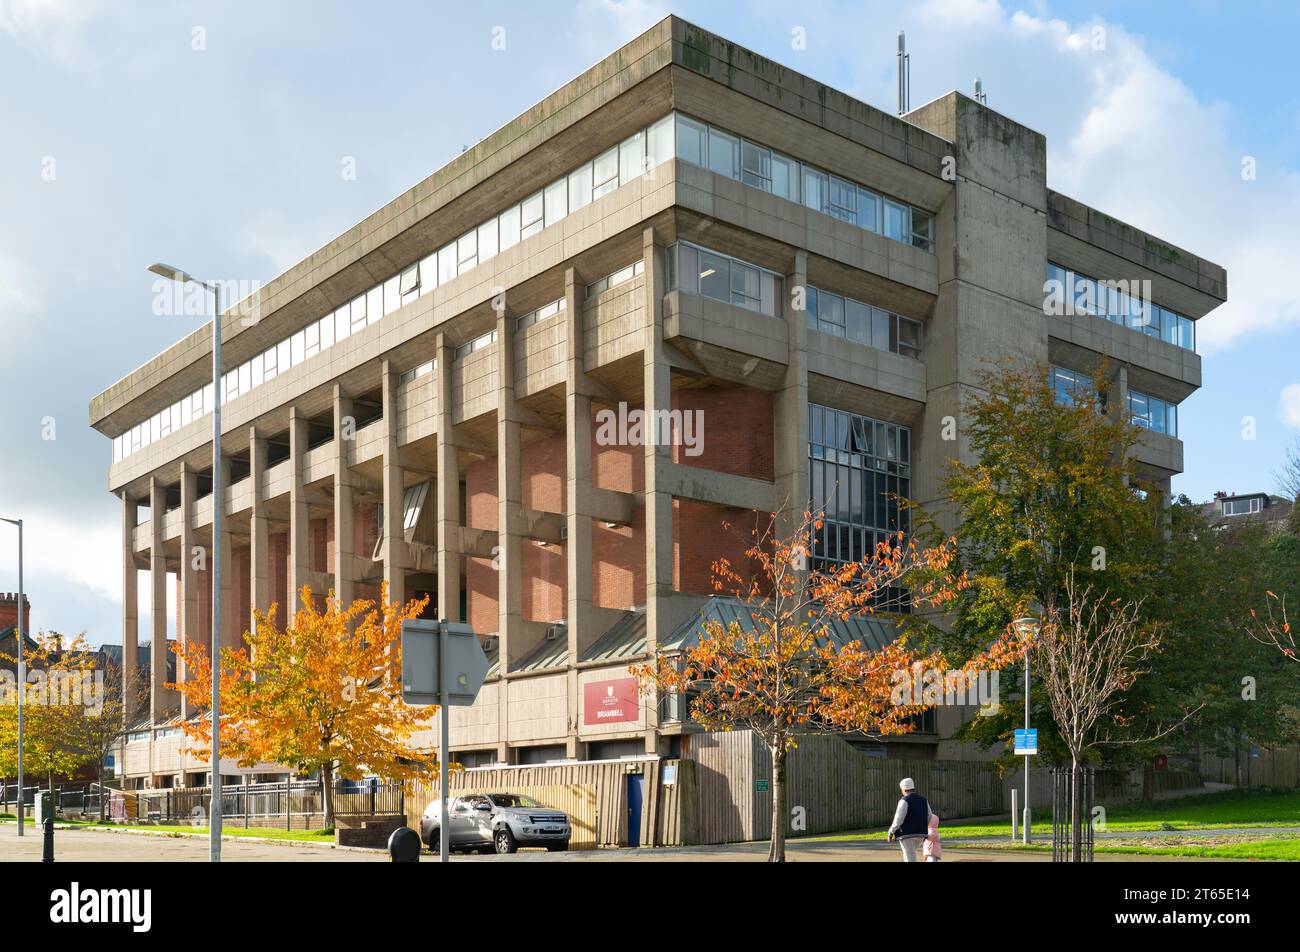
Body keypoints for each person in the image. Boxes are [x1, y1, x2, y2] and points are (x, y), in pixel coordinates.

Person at [886, 777, 933, 862]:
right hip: (921, 833)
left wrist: (891, 831)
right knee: (909, 855)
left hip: (906, 834)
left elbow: (899, 818)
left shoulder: (904, 800)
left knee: (909, 858)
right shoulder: (923, 800)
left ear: (904, 789)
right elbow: (929, 815)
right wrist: (923, 825)